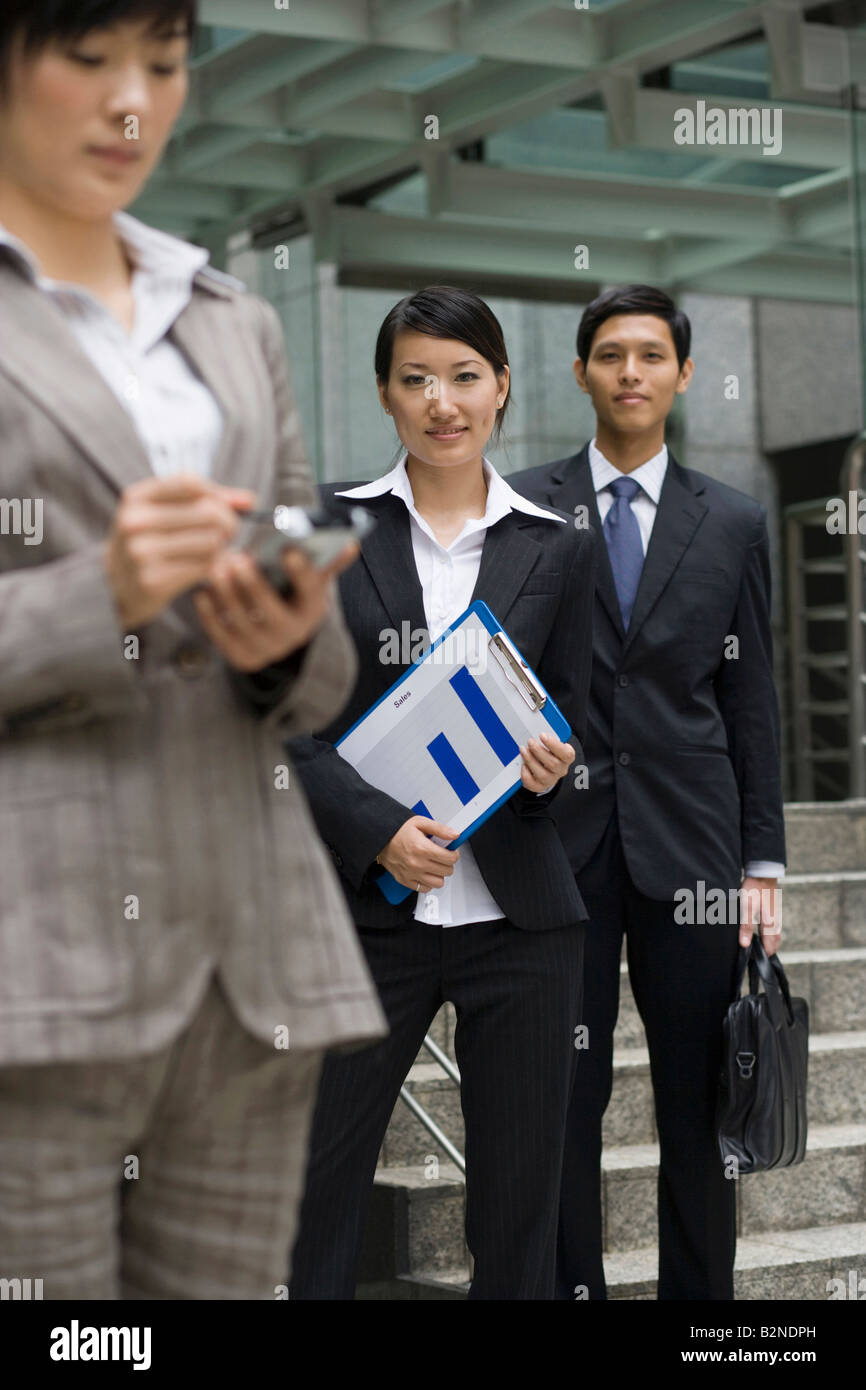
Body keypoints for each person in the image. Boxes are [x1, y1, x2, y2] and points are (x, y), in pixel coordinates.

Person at [0, 0, 386, 1300]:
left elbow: (320, 679)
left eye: (162, 67)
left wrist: (281, 644)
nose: (133, 105)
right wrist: (99, 592)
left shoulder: (232, 321)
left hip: (250, 961)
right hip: (31, 962)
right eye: (91, 59)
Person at [287, 285, 597, 1300]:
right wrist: (376, 833)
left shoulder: (557, 544)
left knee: (518, 1206)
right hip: (370, 918)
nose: (441, 400)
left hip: (522, 923)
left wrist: (553, 771)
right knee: (315, 1182)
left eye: (464, 376)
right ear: (384, 393)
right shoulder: (330, 531)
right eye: (416, 378)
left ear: (501, 387)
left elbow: (579, 722)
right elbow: (284, 724)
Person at [510, 284, 785, 1301]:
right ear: (579, 370)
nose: (630, 372)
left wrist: (761, 863)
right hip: (556, 844)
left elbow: (749, 697)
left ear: (676, 373)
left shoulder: (734, 521)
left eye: (650, 355)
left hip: (695, 854)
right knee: (563, 1103)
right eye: (610, 354)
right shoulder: (527, 508)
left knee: (696, 1106)